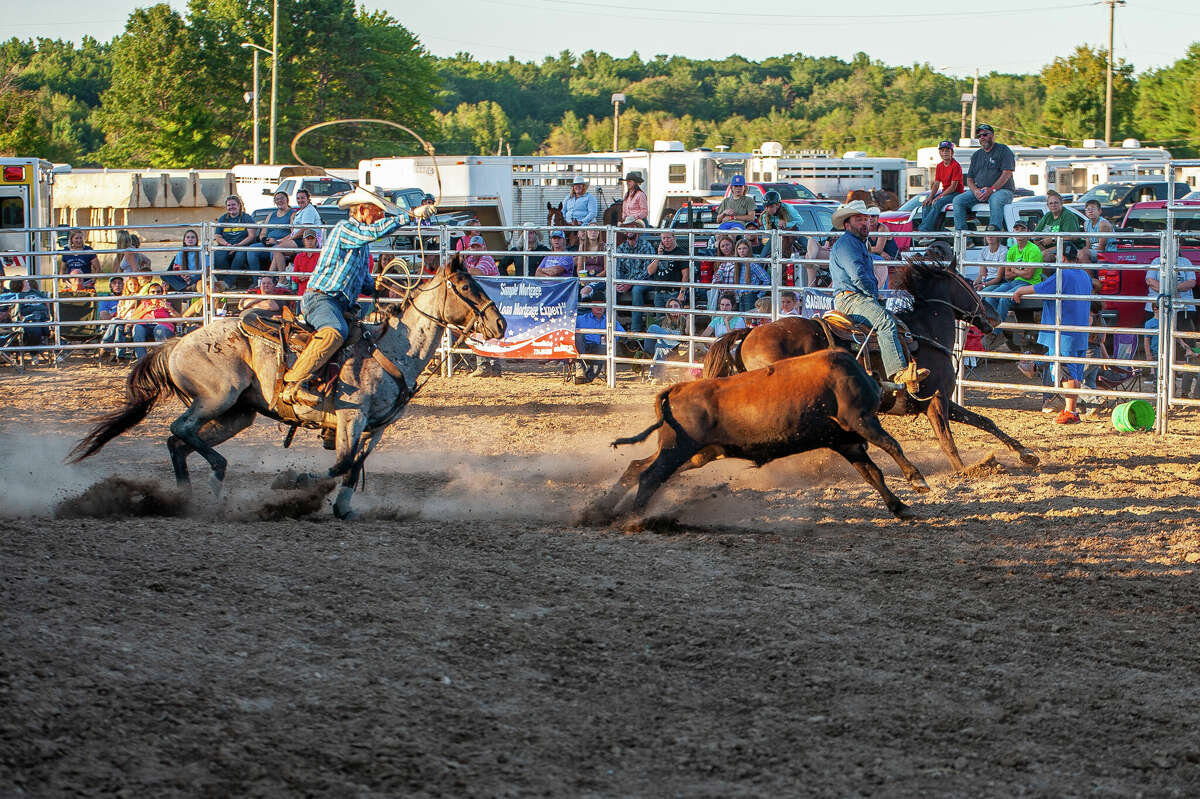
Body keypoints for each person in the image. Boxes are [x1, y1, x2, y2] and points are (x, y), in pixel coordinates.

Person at [279, 187, 416, 406]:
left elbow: (365, 283)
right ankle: (295, 382)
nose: (381, 216)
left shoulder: (362, 247)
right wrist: (409, 216)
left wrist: (384, 288)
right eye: (377, 211)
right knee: (336, 332)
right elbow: (373, 233)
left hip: (339, 304)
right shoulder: (345, 229)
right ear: (362, 210)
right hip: (321, 299)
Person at [828, 200, 929, 392]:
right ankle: (898, 372)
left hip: (853, 296)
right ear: (847, 224)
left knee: (892, 322)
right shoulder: (848, 244)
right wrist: (872, 294)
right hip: (851, 298)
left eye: (866, 219)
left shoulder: (855, 243)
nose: (865, 223)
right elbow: (858, 275)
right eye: (859, 219)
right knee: (885, 322)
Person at [1012, 247, 1093, 423]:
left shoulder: (1063, 276)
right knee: (1075, 371)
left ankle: (1070, 411)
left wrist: (1019, 291)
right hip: (1079, 331)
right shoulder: (1084, 276)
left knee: (1066, 372)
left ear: (1062, 258)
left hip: (1063, 332)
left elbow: (1039, 288)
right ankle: (1070, 408)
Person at [1143, 243, 1197, 398]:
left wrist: (1172, 289)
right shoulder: (1156, 261)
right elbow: (1150, 281)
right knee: (1155, 342)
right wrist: (1168, 291)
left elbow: (1191, 282)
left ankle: (1181, 372)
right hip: (1158, 308)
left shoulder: (1185, 262)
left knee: (1185, 341)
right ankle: (1155, 371)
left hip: (1183, 309)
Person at [951, 123, 1015, 231]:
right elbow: (970, 179)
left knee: (995, 199)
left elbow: (1007, 173)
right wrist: (975, 191)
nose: (982, 137)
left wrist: (991, 189)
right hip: (980, 191)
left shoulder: (1003, 150)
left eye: (985, 134)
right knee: (958, 200)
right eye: (979, 136)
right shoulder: (976, 155)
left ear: (992, 135)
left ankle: (993, 234)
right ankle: (963, 236)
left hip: (1002, 190)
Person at [984, 221, 1044, 326]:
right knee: (991, 296)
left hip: (1029, 284)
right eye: (1017, 229)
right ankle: (991, 327)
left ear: (1028, 232)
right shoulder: (1012, 250)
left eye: (1023, 229)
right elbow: (1007, 275)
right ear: (1013, 231)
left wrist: (1015, 270)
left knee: (1004, 299)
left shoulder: (1034, 249)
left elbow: (1029, 275)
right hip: (1015, 283)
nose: (1019, 232)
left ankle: (996, 331)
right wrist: (1021, 271)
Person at [213, 194, 265, 279]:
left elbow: (251, 236)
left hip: (243, 245)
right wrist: (227, 245)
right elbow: (218, 236)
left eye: (233, 204)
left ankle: (229, 283)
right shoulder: (223, 219)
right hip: (227, 245)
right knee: (218, 255)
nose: (231, 207)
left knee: (239, 256)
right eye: (229, 205)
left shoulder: (246, 217)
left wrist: (238, 246)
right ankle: (222, 280)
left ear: (239, 205)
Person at [918, 140, 964, 233]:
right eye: (942, 150)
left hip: (955, 193)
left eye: (947, 150)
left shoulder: (956, 166)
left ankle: (924, 230)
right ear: (939, 153)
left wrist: (939, 196)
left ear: (952, 152)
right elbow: (936, 183)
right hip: (945, 192)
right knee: (927, 204)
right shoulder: (939, 166)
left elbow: (953, 187)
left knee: (938, 203)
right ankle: (930, 231)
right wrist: (930, 197)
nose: (945, 153)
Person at [573, 303, 625, 384]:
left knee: (603, 347)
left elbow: (622, 334)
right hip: (582, 346)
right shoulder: (580, 319)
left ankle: (585, 377)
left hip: (598, 347)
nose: (599, 308)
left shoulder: (610, 320)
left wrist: (611, 337)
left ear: (605, 307)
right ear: (591, 306)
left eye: (602, 305)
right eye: (596, 305)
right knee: (578, 336)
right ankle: (581, 371)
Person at [613, 222, 655, 316]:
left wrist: (631, 283)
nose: (629, 229)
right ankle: (611, 323)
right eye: (626, 227)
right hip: (626, 282)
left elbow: (647, 272)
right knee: (611, 289)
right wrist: (619, 283)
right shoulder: (620, 248)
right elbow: (618, 269)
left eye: (632, 226)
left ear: (637, 229)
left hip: (644, 281)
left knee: (636, 290)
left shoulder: (646, 246)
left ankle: (635, 328)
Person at [642, 297, 688, 381]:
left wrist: (689, 319)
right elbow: (651, 331)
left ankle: (653, 377)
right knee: (653, 327)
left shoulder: (684, 321)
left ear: (680, 308)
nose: (673, 308)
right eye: (670, 307)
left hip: (672, 352)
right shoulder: (662, 320)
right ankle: (675, 344)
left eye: (675, 306)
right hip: (652, 348)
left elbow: (688, 335)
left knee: (660, 346)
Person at [129, 281, 175, 359]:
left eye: (158, 292)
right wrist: (146, 310)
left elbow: (179, 318)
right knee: (137, 328)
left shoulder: (167, 304)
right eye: (152, 292)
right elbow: (133, 318)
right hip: (146, 326)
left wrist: (170, 309)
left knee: (159, 329)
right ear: (149, 294)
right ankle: (142, 359)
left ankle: (160, 359)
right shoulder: (144, 304)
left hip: (162, 326)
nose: (155, 294)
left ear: (161, 293)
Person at [1032, 189, 1082, 260]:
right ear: (1048, 205)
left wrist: (1052, 239)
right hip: (1048, 248)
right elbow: (1036, 234)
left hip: (1066, 247)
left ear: (1061, 203)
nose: (1053, 205)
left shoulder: (1068, 215)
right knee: (1032, 254)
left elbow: (1073, 237)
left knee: (1043, 255)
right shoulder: (1048, 216)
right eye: (1051, 203)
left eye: (1056, 203)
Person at [758, 190, 802, 257]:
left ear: (778, 205)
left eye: (771, 206)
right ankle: (761, 266)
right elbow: (768, 232)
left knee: (806, 244)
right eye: (765, 207)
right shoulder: (764, 216)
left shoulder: (788, 208)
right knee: (763, 256)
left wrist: (786, 224)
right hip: (775, 236)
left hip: (792, 232)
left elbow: (800, 221)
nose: (767, 209)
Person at [261, 191, 297, 273]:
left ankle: (273, 280)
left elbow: (293, 233)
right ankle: (256, 280)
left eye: (282, 198)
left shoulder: (293, 214)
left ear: (287, 200)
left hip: (281, 243)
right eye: (277, 199)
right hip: (268, 243)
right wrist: (264, 239)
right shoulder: (270, 215)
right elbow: (263, 232)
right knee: (251, 251)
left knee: (274, 252)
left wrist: (277, 241)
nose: (279, 201)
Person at [97, 275, 128, 359]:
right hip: (109, 325)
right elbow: (103, 316)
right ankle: (120, 356)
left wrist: (113, 316)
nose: (117, 285)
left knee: (118, 324)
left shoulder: (128, 298)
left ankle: (105, 347)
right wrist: (117, 317)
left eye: (120, 283)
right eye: (114, 283)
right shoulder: (107, 299)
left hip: (126, 324)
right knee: (117, 324)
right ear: (110, 286)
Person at [576, 227, 607, 303]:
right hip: (585, 276)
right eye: (590, 230)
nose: (593, 232)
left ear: (599, 232)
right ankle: (579, 313)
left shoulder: (604, 247)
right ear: (587, 232)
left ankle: (586, 311)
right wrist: (583, 278)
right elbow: (579, 268)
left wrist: (594, 278)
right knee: (575, 288)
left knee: (586, 290)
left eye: (596, 230)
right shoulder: (582, 246)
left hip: (599, 277)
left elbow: (607, 270)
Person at [165, 229, 201, 293]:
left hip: (197, 279)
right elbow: (179, 268)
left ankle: (184, 287)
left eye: (193, 237)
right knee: (164, 275)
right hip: (185, 279)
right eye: (188, 237)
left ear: (196, 240)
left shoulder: (201, 252)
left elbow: (207, 269)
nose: (190, 239)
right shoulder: (181, 252)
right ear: (184, 240)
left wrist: (192, 278)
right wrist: (184, 276)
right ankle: (186, 288)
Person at [291, 230, 321, 294]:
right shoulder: (299, 257)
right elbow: (294, 277)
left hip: (317, 292)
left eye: (312, 239)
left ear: (316, 240)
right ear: (304, 241)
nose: (310, 241)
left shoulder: (321, 255)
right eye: (307, 239)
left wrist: (309, 276)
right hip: (303, 292)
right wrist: (299, 278)